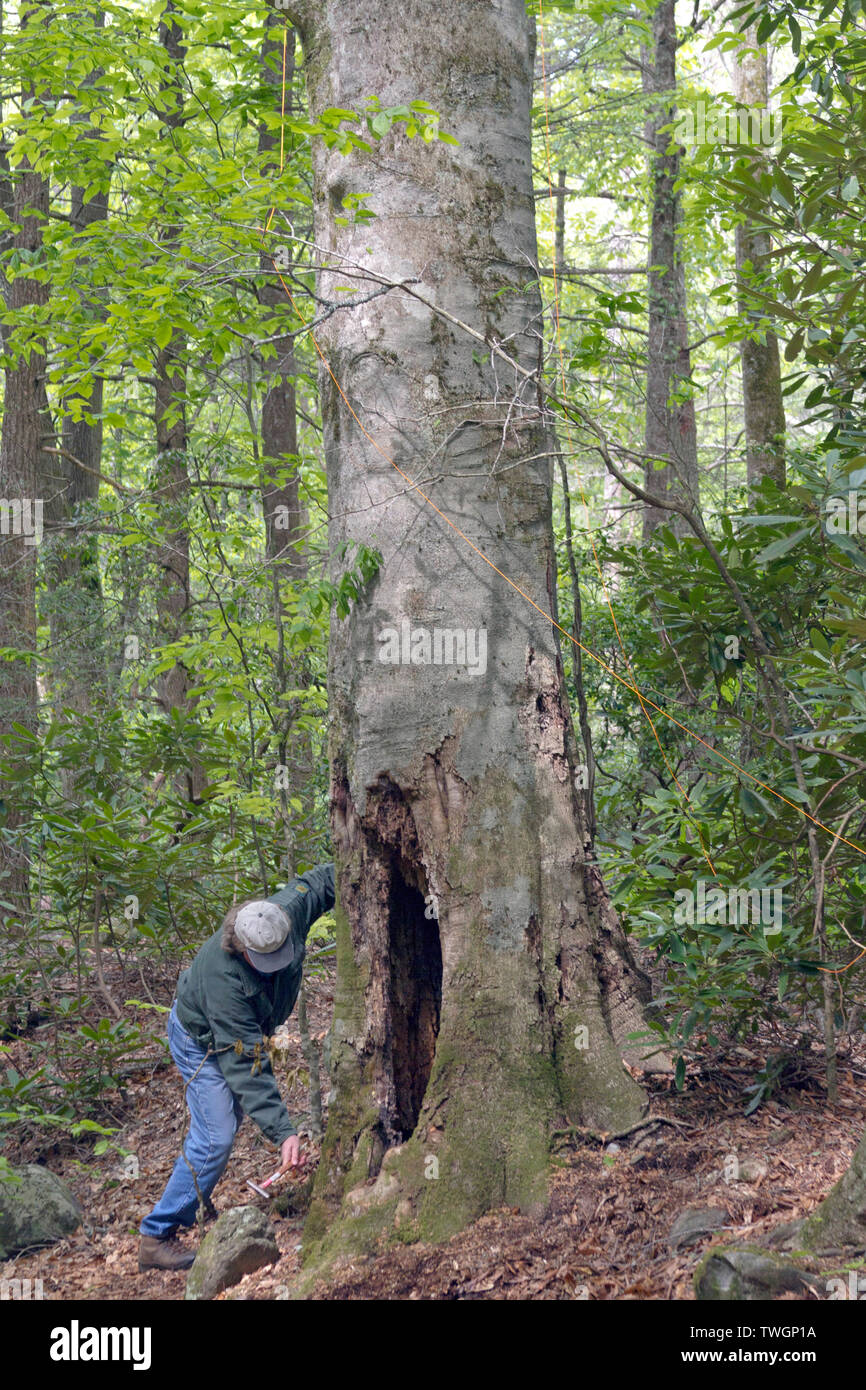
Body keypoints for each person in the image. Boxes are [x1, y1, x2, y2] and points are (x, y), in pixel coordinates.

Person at [138, 863, 335, 1271]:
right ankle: (156, 1235)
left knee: (224, 1126)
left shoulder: (280, 915)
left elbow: (323, 880)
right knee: (216, 1136)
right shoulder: (223, 980)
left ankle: (196, 1191)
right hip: (201, 1044)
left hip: (237, 1039)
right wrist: (283, 1132)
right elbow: (245, 1063)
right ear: (242, 949)